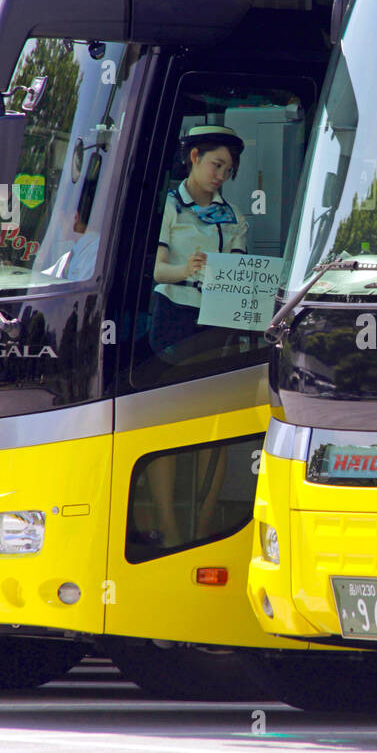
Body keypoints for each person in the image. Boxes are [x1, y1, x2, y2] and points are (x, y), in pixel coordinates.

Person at [144, 125, 248, 547]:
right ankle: (169, 526)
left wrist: (222, 272)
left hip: (216, 320)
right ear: (194, 158)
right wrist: (187, 270)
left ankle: (204, 522)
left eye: (228, 169)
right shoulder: (168, 206)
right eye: (215, 164)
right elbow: (156, 268)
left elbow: (240, 275)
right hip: (173, 314)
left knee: (214, 425)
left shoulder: (235, 217)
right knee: (165, 424)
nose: (220, 175)